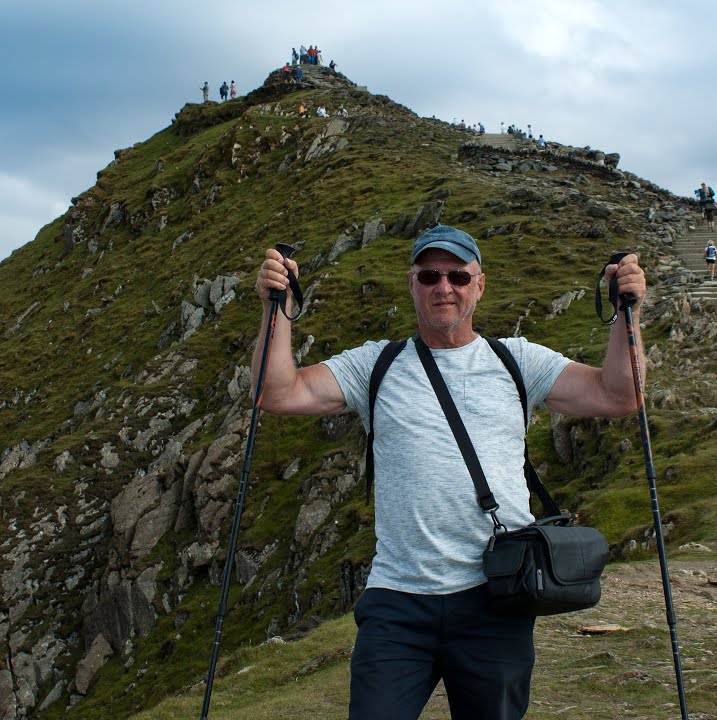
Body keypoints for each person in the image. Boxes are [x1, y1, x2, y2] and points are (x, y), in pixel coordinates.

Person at [251, 225, 647, 720]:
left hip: (496, 597)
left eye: (459, 275)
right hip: (397, 602)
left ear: (479, 285)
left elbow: (619, 395)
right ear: (412, 283)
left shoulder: (517, 361)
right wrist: (276, 307)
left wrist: (627, 311)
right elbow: (278, 393)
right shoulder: (375, 364)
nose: (445, 287)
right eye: (430, 275)